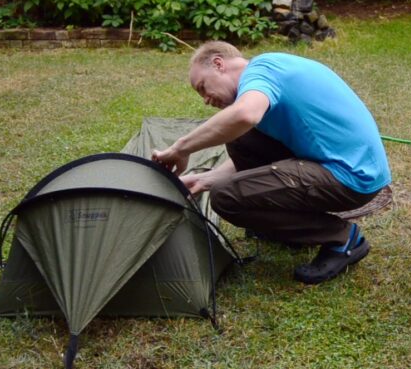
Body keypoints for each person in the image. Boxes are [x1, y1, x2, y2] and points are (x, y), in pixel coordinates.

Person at [152, 41, 391, 284]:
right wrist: (203, 180)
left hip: (353, 177)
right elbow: (246, 137)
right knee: (242, 139)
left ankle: (342, 238)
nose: (204, 99)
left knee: (225, 197)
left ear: (218, 64)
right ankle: (284, 224)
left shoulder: (261, 73)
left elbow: (245, 114)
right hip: (332, 163)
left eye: (202, 87)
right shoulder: (266, 73)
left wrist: (180, 149)